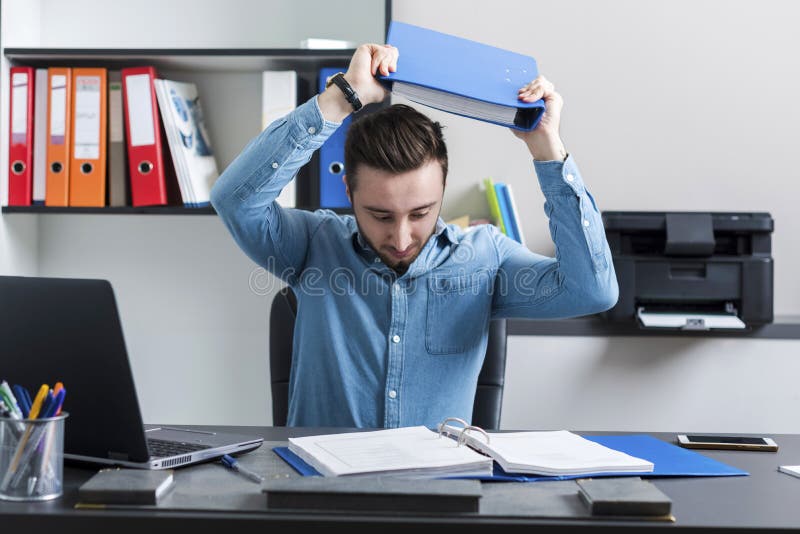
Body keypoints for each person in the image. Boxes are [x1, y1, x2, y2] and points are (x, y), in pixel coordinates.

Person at [210, 43, 618, 428]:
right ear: (349, 194)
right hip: (324, 495)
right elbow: (235, 201)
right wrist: (340, 98)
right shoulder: (311, 245)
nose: (402, 237)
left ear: (442, 191)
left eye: (420, 212)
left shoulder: (485, 257)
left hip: (439, 494)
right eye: (380, 215)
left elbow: (593, 291)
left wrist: (547, 148)